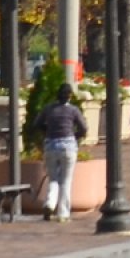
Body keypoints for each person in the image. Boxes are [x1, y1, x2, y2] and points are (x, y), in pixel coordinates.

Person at [37, 83, 87, 222]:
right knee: (66, 180)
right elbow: (83, 128)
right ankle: (63, 213)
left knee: (53, 178)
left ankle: (49, 203)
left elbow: (37, 124)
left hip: (51, 145)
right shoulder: (73, 110)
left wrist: (46, 131)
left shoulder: (49, 109)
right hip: (68, 146)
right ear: (70, 96)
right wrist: (75, 136)